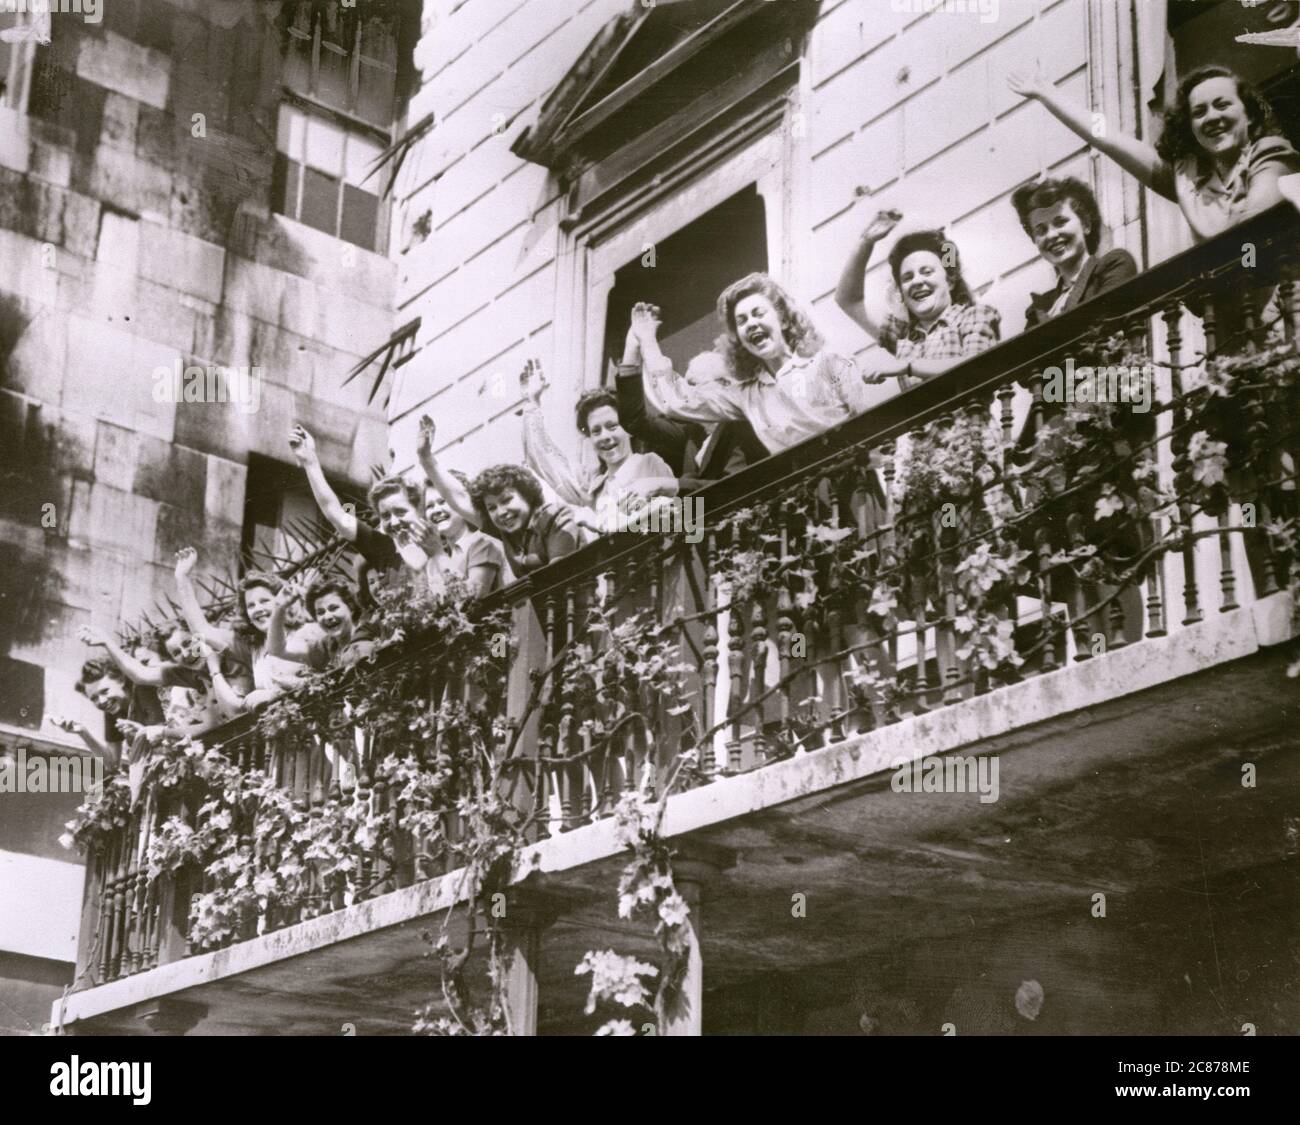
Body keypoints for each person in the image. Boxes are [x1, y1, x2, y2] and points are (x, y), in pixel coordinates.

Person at [1008, 63, 1300, 243]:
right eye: (1199, 112)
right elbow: (1106, 138)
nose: (1211, 117)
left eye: (1222, 105)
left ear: (1249, 116)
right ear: (1191, 128)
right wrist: (1049, 95)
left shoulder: (1271, 153)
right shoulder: (1188, 179)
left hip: (1281, 315)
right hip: (1225, 326)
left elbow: (1254, 231)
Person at [634, 273, 873, 455]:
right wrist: (647, 341)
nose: (751, 324)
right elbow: (676, 401)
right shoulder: (748, 395)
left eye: (758, 313)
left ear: (784, 320)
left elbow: (870, 423)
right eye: (742, 321)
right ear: (739, 339)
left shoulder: (829, 363)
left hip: (854, 484)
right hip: (803, 502)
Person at [289, 424, 506, 600]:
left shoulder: (450, 543)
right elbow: (336, 514)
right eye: (385, 516)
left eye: (401, 512)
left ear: (420, 510)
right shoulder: (385, 549)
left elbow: (469, 595)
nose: (393, 522)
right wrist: (310, 463)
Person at [835, 213, 1001, 387]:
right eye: (907, 278)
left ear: (950, 281)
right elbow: (848, 301)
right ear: (902, 294)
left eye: (927, 272)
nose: (917, 281)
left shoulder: (973, 315)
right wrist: (865, 242)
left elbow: (976, 366)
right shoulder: (903, 336)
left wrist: (908, 366)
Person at [518, 359, 679, 534]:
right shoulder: (595, 487)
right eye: (596, 431)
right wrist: (531, 404)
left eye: (612, 426)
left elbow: (673, 519)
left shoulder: (649, 463)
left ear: (629, 429)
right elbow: (548, 463)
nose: (605, 437)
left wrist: (602, 523)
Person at [613, 328, 767, 490]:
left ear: (725, 385)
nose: (686, 393)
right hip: (697, 513)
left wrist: (670, 485)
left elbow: (737, 488)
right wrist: (631, 349)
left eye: (693, 384)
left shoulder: (742, 426)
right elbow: (634, 421)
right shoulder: (694, 433)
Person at [1010, 176, 1138, 329]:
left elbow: (1103, 333)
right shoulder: (1039, 310)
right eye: (1041, 230)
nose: (1051, 235)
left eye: (1060, 222)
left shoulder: (1114, 266)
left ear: (1086, 224)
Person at [267, 576, 375, 672]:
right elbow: (277, 651)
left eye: (333, 608)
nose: (327, 617)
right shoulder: (326, 648)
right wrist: (279, 607)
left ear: (350, 607)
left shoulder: (371, 631)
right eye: (320, 612)